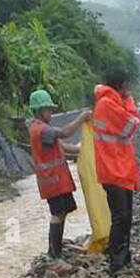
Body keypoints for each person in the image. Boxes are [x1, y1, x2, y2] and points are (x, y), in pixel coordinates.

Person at [28, 89, 90, 258]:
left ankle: (57, 249)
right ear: (40, 110)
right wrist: (82, 117)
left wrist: (86, 150)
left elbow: (64, 147)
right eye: (48, 109)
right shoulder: (41, 130)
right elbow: (65, 133)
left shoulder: (42, 129)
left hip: (56, 182)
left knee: (62, 211)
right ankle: (53, 253)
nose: (51, 112)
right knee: (57, 213)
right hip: (52, 181)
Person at [92, 67, 140, 275]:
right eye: (127, 86)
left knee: (125, 215)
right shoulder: (108, 104)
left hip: (119, 169)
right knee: (121, 216)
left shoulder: (109, 103)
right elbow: (131, 125)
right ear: (121, 86)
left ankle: (122, 255)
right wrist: (129, 101)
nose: (130, 89)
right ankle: (116, 260)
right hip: (114, 171)